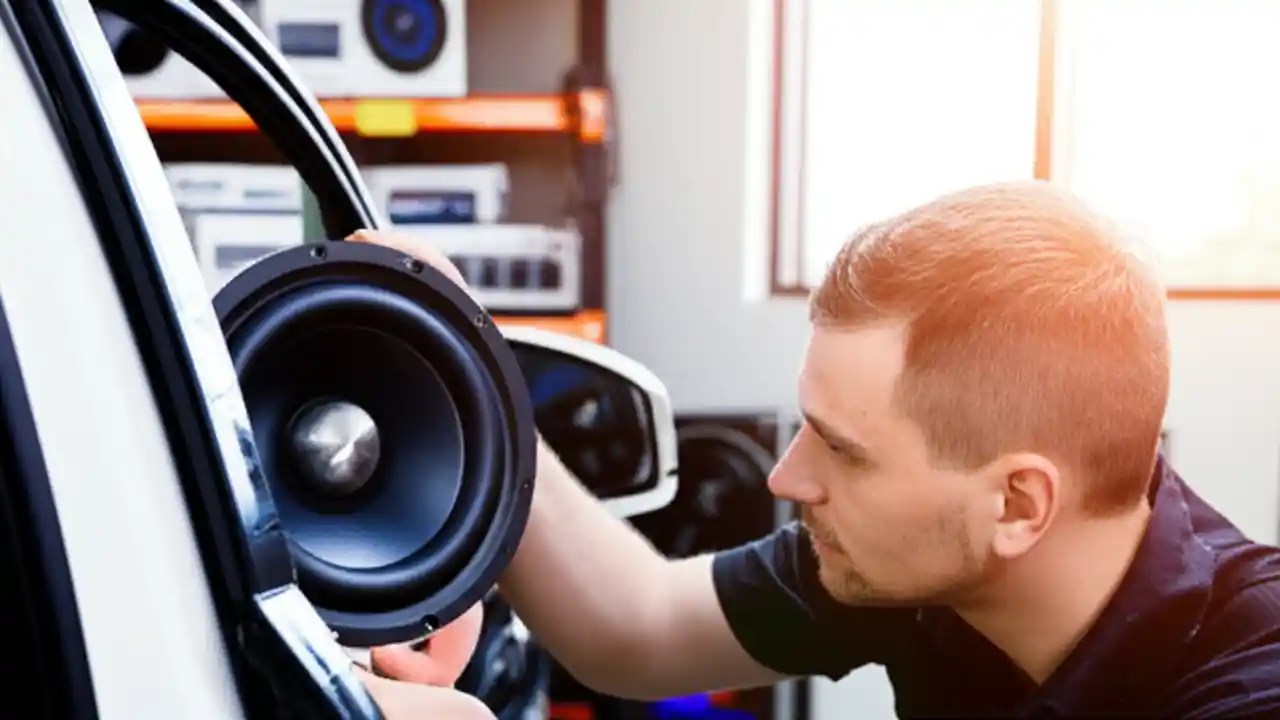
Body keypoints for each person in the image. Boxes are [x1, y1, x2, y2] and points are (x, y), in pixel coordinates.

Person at [352, 180, 1280, 717]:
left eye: (845, 451)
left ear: (1018, 505)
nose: (789, 477)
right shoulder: (929, 567)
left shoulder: (1245, 688)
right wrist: (465, 381)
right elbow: (635, 628)